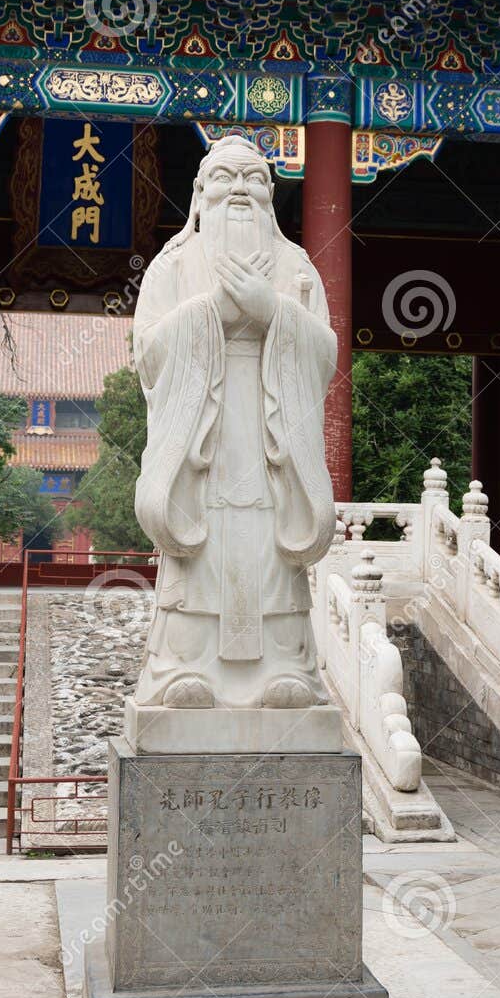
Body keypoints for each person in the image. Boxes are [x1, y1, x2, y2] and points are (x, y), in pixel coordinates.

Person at [131, 135, 337, 710]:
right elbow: (147, 354)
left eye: (253, 178)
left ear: (271, 195)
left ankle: (287, 668)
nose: (240, 188)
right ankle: (181, 668)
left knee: (273, 550)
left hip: (274, 441)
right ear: (199, 194)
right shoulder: (172, 266)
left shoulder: (296, 266)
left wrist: (273, 312)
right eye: (225, 177)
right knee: (200, 557)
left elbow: (324, 356)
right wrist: (216, 310)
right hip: (203, 442)